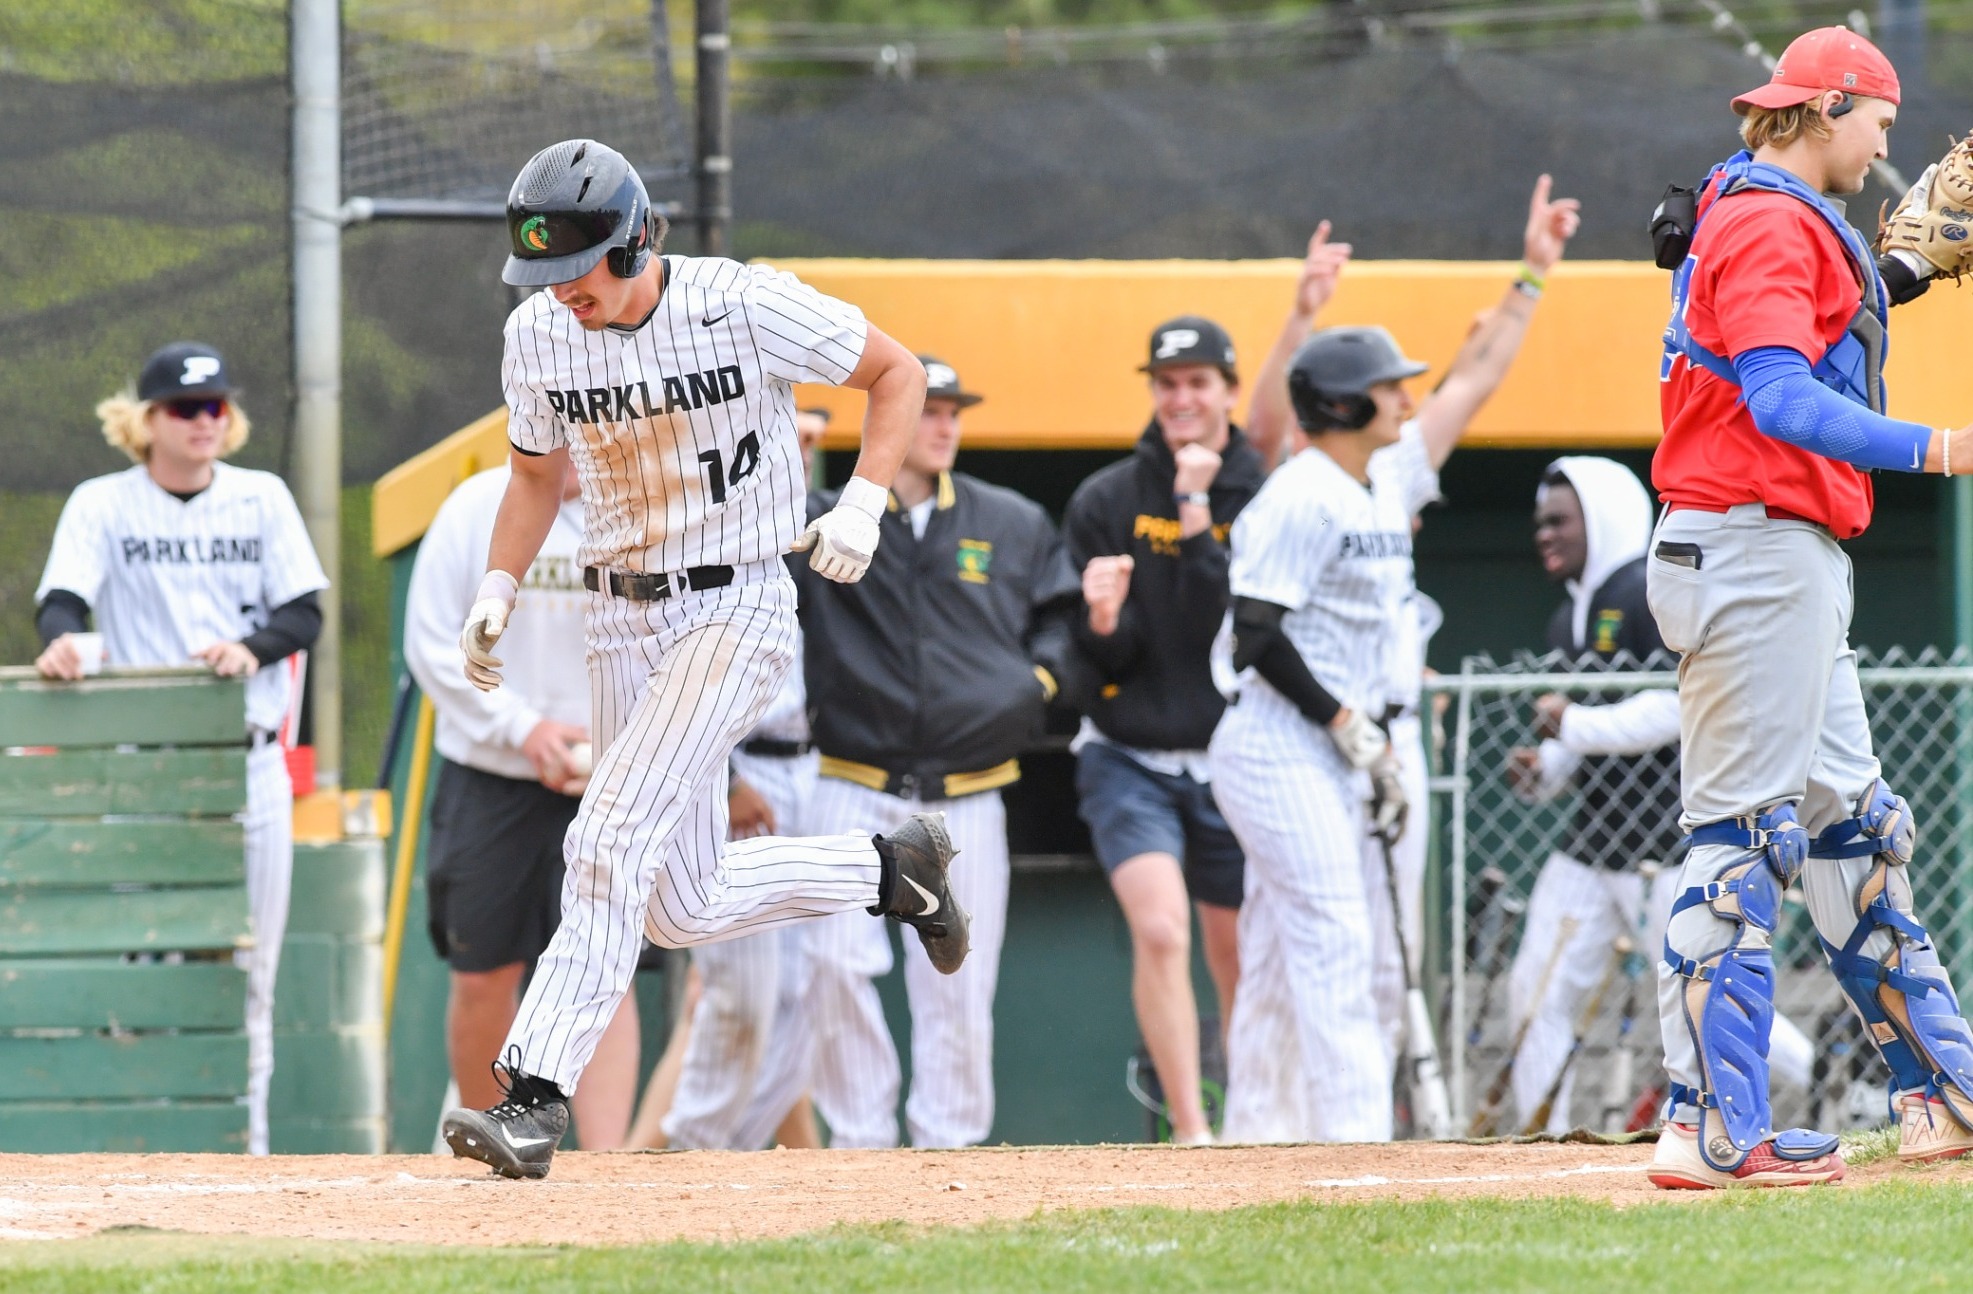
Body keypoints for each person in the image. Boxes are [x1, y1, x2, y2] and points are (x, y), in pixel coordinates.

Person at [440, 138, 965, 1182]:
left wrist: (861, 500)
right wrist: (496, 586)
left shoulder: (742, 301)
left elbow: (895, 372)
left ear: (632, 243)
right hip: (618, 614)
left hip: (735, 603)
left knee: (604, 834)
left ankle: (533, 1097)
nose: (557, 294)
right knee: (674, 902)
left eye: (573, 270)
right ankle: (888, 868)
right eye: (538, 276)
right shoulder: (539, 336)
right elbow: (536, 479)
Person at [1647, 27, 1973, 1188]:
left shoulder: (1768, 214)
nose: (1894, 145)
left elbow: (1798, 346)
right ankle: (1704, 1124)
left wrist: (1904, 274)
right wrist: (1942, 447)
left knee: (1851, 823)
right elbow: (1784, 398)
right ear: (1825, 108)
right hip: (1752, 543)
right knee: (1740, 838)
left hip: (1773, 548)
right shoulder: (1769, 219)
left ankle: (1937, 1089)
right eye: (1879, 120)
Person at [1210, 177, 1580, 1143]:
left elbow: (1474, 378)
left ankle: (1259, 1139)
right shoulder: (1297, 494)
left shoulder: (1384, 474)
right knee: (1336, 940)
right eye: (1386, 385)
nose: (1405, 395)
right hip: (1290, 741)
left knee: (1343, 956)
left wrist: (1530, 276)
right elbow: (1254, 635)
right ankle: (1353, 1146)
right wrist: (1344, 726)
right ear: (1339, 401)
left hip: (1375, 744)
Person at [33, 341, 327, 1156]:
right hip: (149, 768)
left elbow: (303, 614)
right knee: (150, 960)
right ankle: (148, 1138)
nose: (205, 421)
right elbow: (60, 604)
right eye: (185, 408)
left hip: (250, 758)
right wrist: (62, 643)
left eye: (216, 407)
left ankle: (249, 1145)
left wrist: (252, 647)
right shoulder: (103, 502)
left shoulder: (261, 497)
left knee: (251, 971)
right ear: (147, 420)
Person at [795, 357, 1081, 1148]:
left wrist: (1037, 683)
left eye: (953, 410)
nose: (945, 424)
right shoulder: (825, 521)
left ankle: (946, 1151)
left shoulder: (1011, 520)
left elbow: (1060, 620)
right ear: (884, 420)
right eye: (927, 409)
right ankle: (859, 1142)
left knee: (956, 984)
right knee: (832, 969)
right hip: (852, 782)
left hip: (967, 791)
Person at [1062, 317, 1264, 1145]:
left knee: (1236, 949)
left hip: (1233, 757)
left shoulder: (1260, 491)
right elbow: (1101, 654)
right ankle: (1191, 1129)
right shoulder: (1106, 498)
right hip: (1128, 755)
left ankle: (1252, 1117)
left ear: (1227, 390)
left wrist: (1193, 504)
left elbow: (1243, 627)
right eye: (1165, 383)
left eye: (1196, 383)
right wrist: (1102, 620)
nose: (1180, 398)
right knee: (1159, 928)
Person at [403, 457, 641, 1150]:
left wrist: (620, 736)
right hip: (492, 774)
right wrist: (523, 728)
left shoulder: (641, 504)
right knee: (483, 973)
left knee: (606, 972)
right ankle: (492, 1150)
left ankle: (606, 1165)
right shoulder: (475, 506)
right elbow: (433, 641)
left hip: (608, 774)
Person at [642, 405, 831, 1152]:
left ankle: (715, 1158)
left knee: (801, 993)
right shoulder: (698, 527)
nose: (801, 451)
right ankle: (687, 1151)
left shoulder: (800, 527)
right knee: (742, 994)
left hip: (812, 770)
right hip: (737, 767)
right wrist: (721, 785)